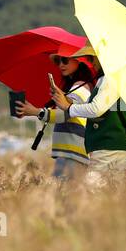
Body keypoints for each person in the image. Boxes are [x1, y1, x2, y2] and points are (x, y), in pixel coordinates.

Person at [49, 46, 126, 177]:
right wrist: (66, 99)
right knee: (103, 194)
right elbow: (94, 108)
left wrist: (68, 107)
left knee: (89, 193)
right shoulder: (105, 80)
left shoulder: (111, 79)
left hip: (109, 149)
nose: (89, 61)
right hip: (106, 148)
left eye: (91, 58)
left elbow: (96, 109)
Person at [14, 51, 96, 180]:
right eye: (58, 61)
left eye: (65, 60)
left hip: (73, 153)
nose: (60, 65)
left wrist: (35, 112)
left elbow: (63, 115)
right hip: (70, 152)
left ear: (79, 60)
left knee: (64, 195)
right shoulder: (76, 87)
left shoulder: (81, 87)